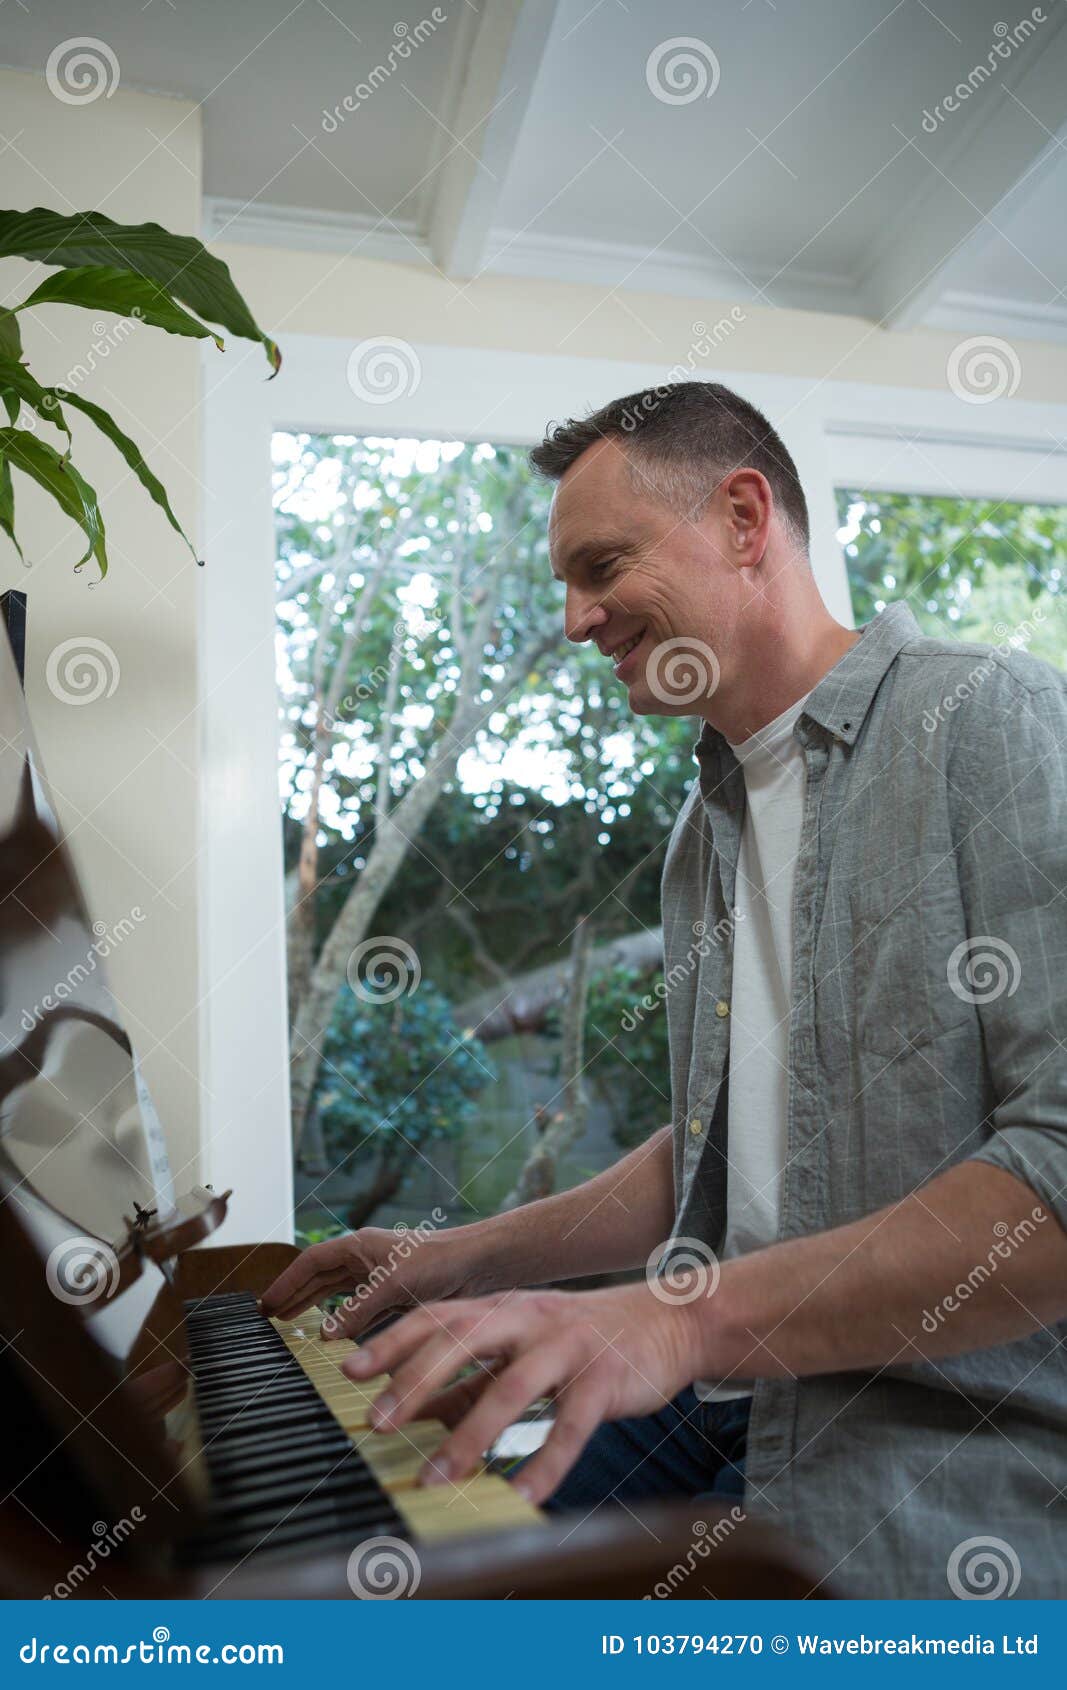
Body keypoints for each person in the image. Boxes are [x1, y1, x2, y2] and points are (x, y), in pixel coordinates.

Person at [263, 382, 1067, 1598]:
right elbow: (716, 1142)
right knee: (369, 1570)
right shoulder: (702, 832)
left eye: (601, 566)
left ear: (744, 517)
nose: (578, 619)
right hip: (726, 1408)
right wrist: (453, 1258)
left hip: (931, 1444)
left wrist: (677, 1321)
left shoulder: (986, 721)